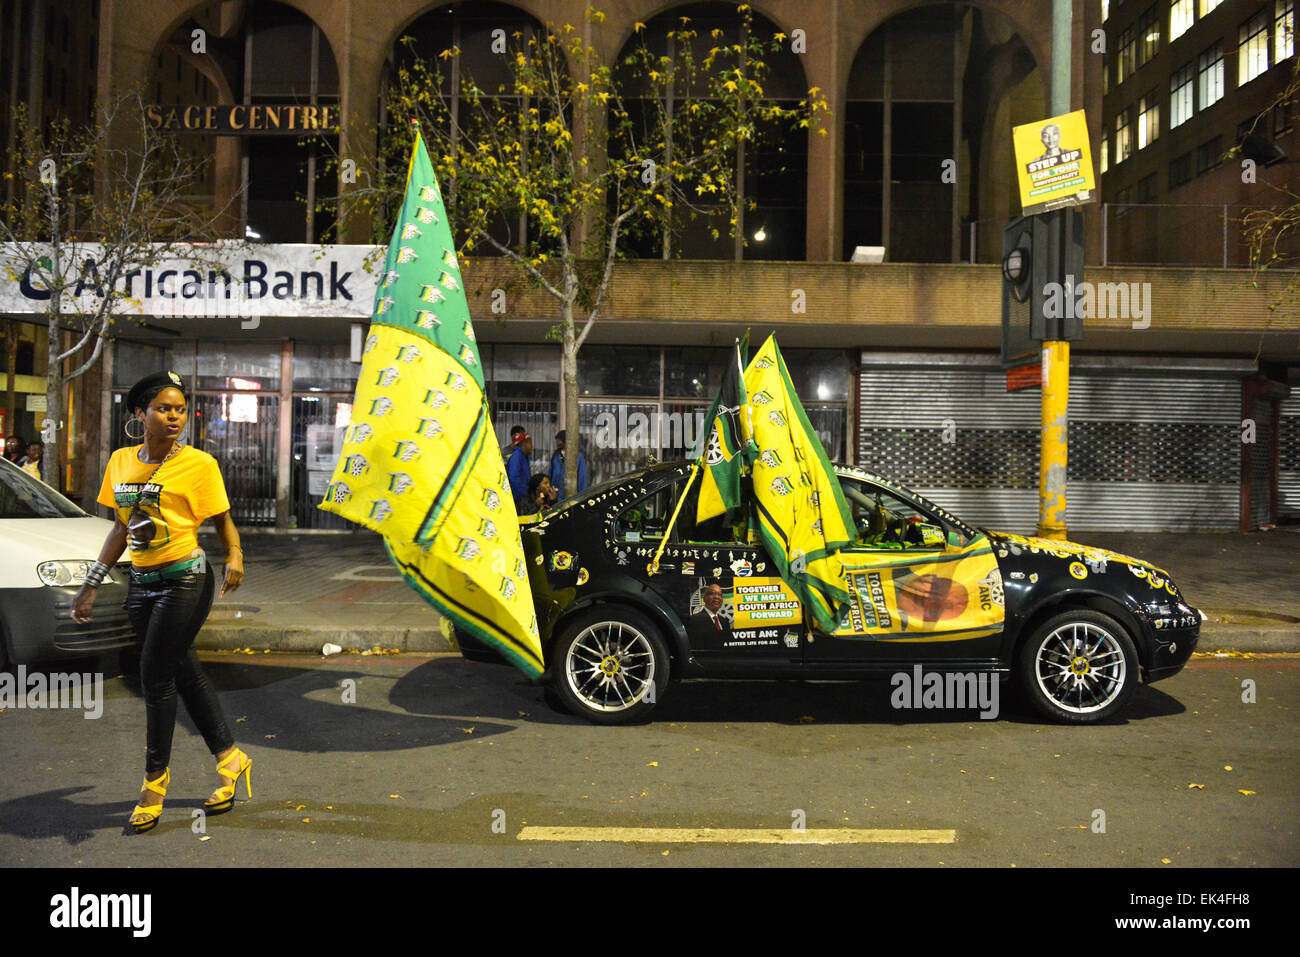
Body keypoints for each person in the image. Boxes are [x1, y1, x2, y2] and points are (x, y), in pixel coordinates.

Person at [72, 370, 250, 833]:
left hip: (186, 579)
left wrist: (234, 553)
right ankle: (231, 759)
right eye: (163, 409)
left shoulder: (198, 464)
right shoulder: (120, 462)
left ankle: (155, 782)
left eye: (179, 409)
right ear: (140, 414)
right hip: (141, 582)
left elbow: (221, 519)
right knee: (183, 670)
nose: (174, 416)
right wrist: (91, 585)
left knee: (154, 675)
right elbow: (119, 529)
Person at [686, 582, 732, 649]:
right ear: (704, 598)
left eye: (719, 594)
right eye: (712, 593)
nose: (716, 597)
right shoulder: (694, 620)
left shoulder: (725, 622)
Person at [548, 429, 588, 500]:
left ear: (564, 440)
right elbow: (550, 473)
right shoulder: (555, 455)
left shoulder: (578, 457)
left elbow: (582, 477)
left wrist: (581, 496)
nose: (557, 442)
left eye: (559, 440)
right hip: (555, 496)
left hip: (570, 496)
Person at [506, 425, 532, 511]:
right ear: (524, 444)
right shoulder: (516, 457)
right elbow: (513, 478)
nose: (531, 446)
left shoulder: (524, 456)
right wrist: (519, 497)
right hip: (518, 499)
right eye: (530, 443)